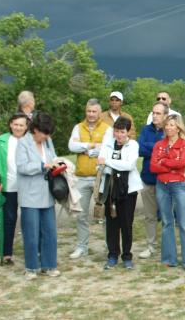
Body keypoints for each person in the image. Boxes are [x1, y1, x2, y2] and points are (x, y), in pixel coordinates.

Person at [16, 111, 62, 280]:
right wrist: (43, 166)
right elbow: (22, 167)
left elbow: (53, 158)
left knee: (50, 231)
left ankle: (49, 265)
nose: (46, 136)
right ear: (35, 130)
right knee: (31, 232)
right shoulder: (23, 143)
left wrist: (58, 164)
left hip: (47, 193)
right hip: (29, 195)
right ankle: (31, 267)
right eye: (44, 132)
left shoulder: (48, 142)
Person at [150, 114, 185, 270]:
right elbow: (153, 167)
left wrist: (163, 161)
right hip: (161, 185)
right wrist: (171, 165)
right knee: (166, 222)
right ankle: (169, 258)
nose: (169, 128)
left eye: (172, 125)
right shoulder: (159, 144)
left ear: (178, 127)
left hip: (178, 185)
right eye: (167, 125)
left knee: (184, 222)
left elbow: (182, 162)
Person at [66, 98, 112, 259]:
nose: (91, 114)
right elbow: (71, 146)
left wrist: (86, 146)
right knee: (81, 214)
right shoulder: (78, 127)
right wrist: (90, 146)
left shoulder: (107, 128)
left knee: (105, 213)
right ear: (86, 111)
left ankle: (110, 247)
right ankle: (82, 247)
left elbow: (108, 147)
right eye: (89, 111)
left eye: (94, 111)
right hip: (82, 177)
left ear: (100, 113)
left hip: (101, 177)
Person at [98, 116, 143, 270]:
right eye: (116, 131)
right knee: (111, 223)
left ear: (128, 132)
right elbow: (100, 164)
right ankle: (112, 254)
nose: (119, 135)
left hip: (128, 190)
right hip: (110, 188)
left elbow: (129, 165)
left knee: (126, 223)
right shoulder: (108, 144)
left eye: (122, 132)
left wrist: (109, 162)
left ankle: (127, 256)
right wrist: (110, 164)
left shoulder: (133, 145)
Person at [0, 113, 29, 266]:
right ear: (10, 124)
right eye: (15, 124)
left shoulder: (30, 140)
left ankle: (32, 250)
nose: (18, 127)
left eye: (21, 125)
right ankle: (7, 253)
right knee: (8, 220)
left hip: (28, 189)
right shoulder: (2, 141)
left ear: (26, 127)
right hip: (8, 188)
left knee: (29, 220)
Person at [137, 102, 166, 259]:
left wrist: (152, 148)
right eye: (153, 112)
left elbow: (169, 151)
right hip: (148, 178)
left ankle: (167, 246)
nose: (155, 115)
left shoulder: (170, 129)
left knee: (167, 215)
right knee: (150, 216)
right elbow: (140, 149)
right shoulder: (145, 129)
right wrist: (158, 147)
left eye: (158, 113)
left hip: (165, 180)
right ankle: (151, 246)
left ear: (165, 115)